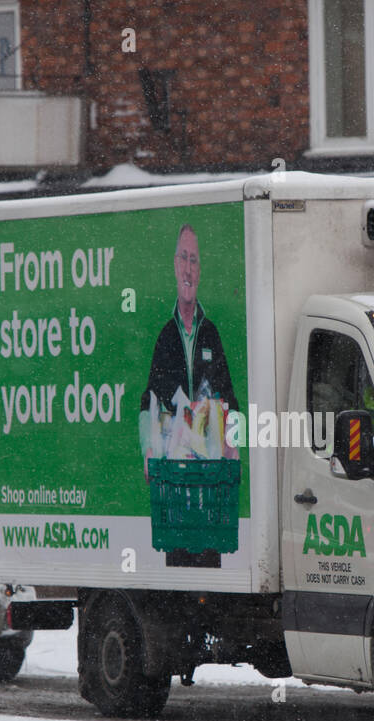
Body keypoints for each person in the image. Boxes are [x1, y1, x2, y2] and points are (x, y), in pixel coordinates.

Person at [139, 223, 239, 568]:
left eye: (194, 260)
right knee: (178, 561)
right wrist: (149, 452)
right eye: (183, 258)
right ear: (174, 265)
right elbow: (148, 401)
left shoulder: (211, 333)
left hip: (210, 492)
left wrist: (233, 449)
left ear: (200, 270)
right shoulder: (166, 336)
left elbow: (231, 401)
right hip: (176, 491)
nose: (188, 268)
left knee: (210, 561)